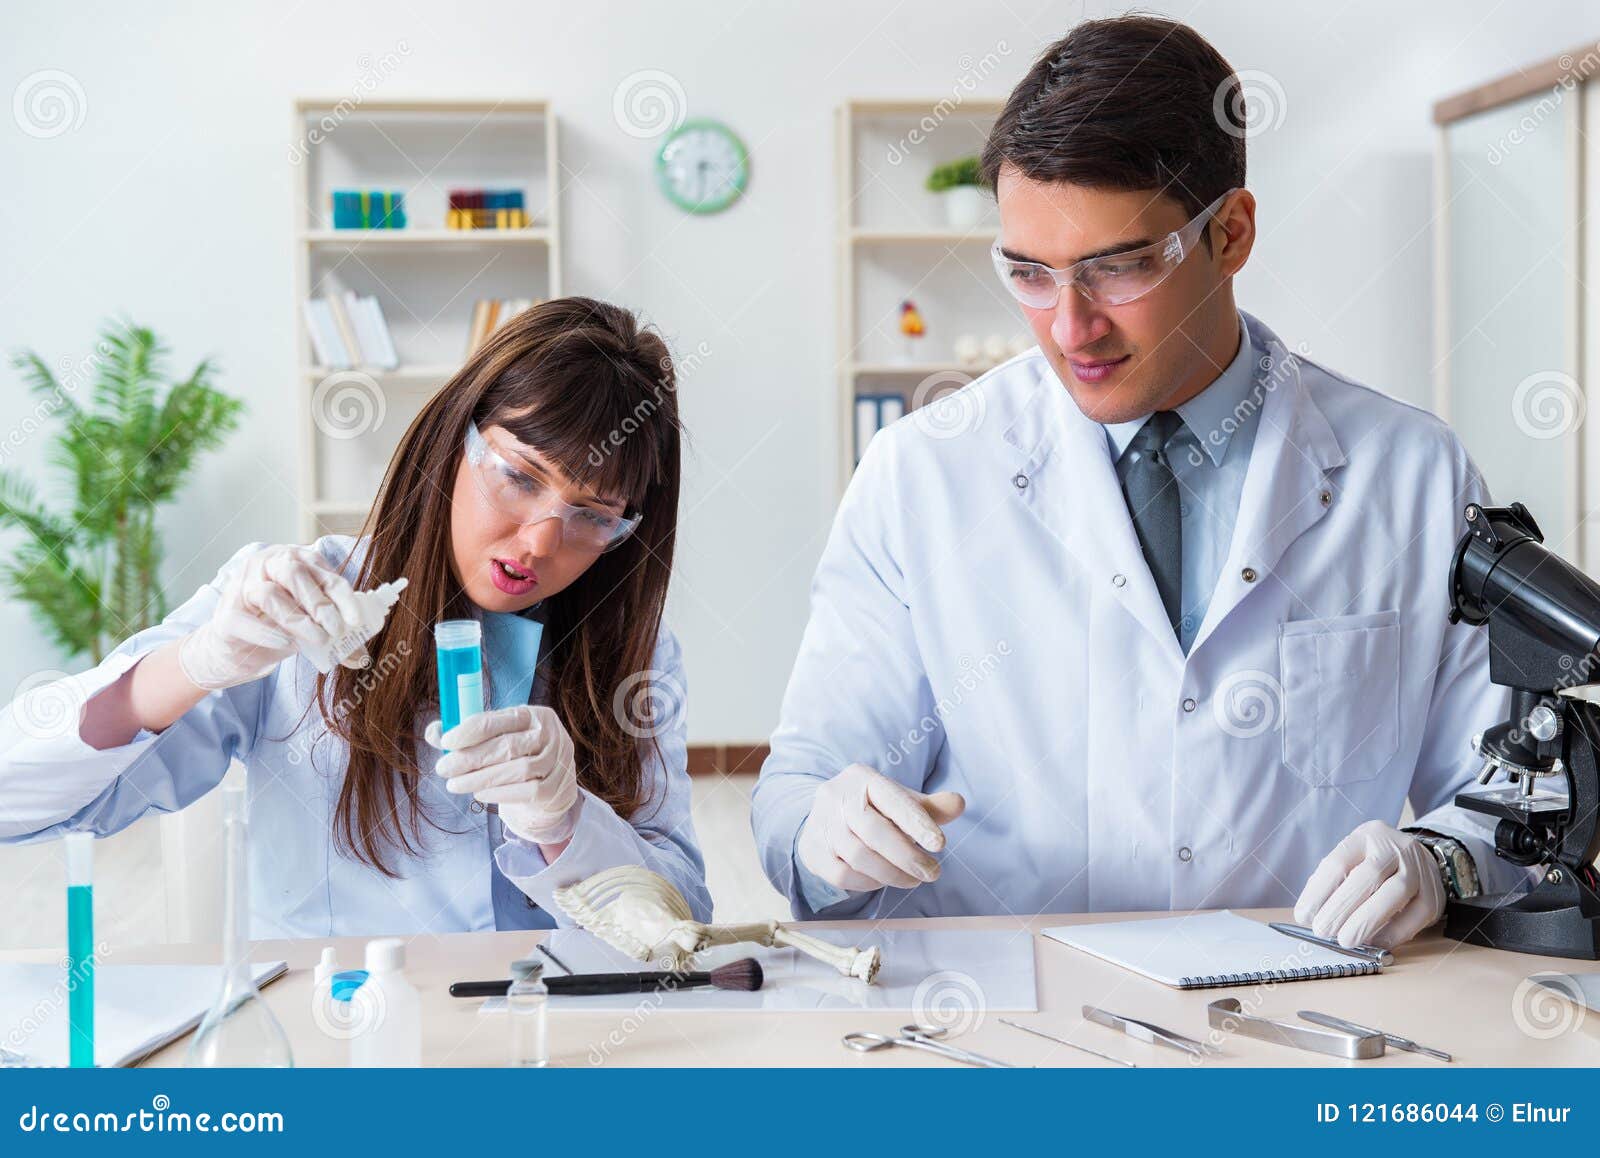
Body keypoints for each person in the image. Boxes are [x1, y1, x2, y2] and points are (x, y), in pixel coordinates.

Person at [752, 15, 1534, 948]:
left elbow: (1508, 796)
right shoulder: (921, 473)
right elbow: (801, 790)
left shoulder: (1411, 473)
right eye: (1029, 274)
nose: (1069, 327)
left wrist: (1440, 864)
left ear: (1231, 233)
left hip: (1299, 1013)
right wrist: (822, 829)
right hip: (1003, 1021)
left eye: (1115, 269)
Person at [0, 297, 709, 937]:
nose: (539, 542)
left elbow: (681, 922)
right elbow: (15, 800)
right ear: (451, 442)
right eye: (520, 477)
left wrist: (568, 823)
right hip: (333, 1043)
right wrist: (194, 665)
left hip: (541, 1039)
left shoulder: (632, 653)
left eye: (591, 516)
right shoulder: (295, 597)